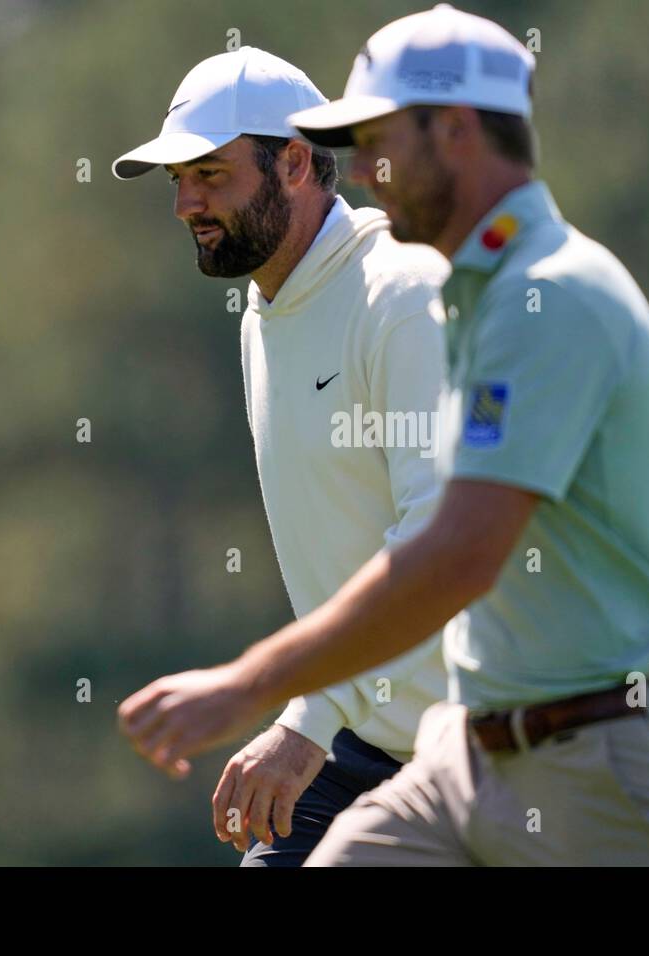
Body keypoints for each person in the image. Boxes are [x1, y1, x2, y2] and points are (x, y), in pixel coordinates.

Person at [118, 7, 649, 866]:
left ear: (454, 132)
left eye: (378, 143)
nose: (365, 175)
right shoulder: (476, 293)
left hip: (611, 767)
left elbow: (454, 553)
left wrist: (255, 688)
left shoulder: (542, 296)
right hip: (474, 755)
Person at [111, 45, 451, 866]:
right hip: (363, 741)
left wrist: (302, 722)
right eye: (176, 181)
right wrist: (323, 715)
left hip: (482, 755)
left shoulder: (403, 293)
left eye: (211, 175)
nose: (186, 201)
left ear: (295, 161)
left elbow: (439, 540)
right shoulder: (261, 316)